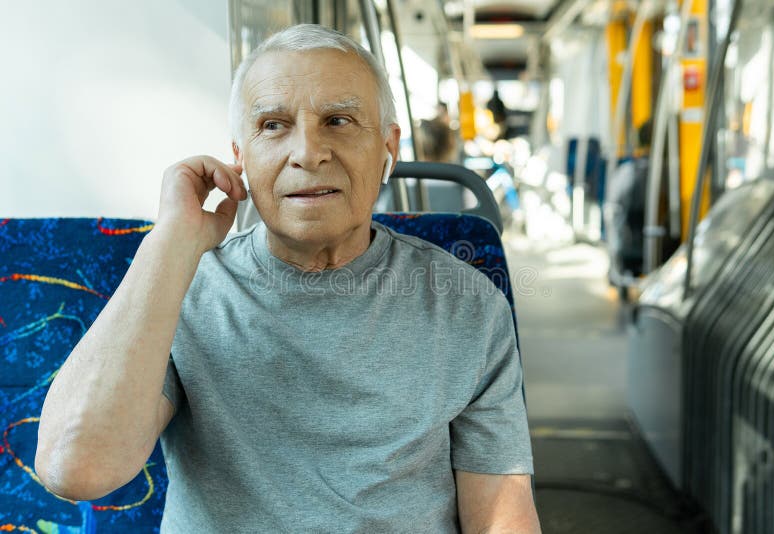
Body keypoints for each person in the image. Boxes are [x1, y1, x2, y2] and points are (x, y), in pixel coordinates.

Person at [35, 24, 541, 533]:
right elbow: (75, 468)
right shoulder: (180, 290)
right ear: (240, 156)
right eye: (273, 125)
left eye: (338, 121)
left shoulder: (466, 305)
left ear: (387, 147)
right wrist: (171, 241)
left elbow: (502, 517)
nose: (307, 153)